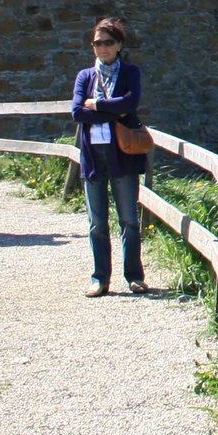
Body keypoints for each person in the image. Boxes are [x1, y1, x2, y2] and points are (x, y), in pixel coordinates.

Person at [71, 16, 146, 296]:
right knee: (97, 222)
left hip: (122, 155)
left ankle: (134, 276)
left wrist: (98, 104)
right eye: (97, 43)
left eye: (108, 42)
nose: (102, 48)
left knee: (128, 218)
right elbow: (77, 112)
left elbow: (131, 102)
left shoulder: (130, 72)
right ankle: (100, 278)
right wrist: (113, 109)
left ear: (119, 45)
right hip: (93, 156)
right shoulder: (85, 76)